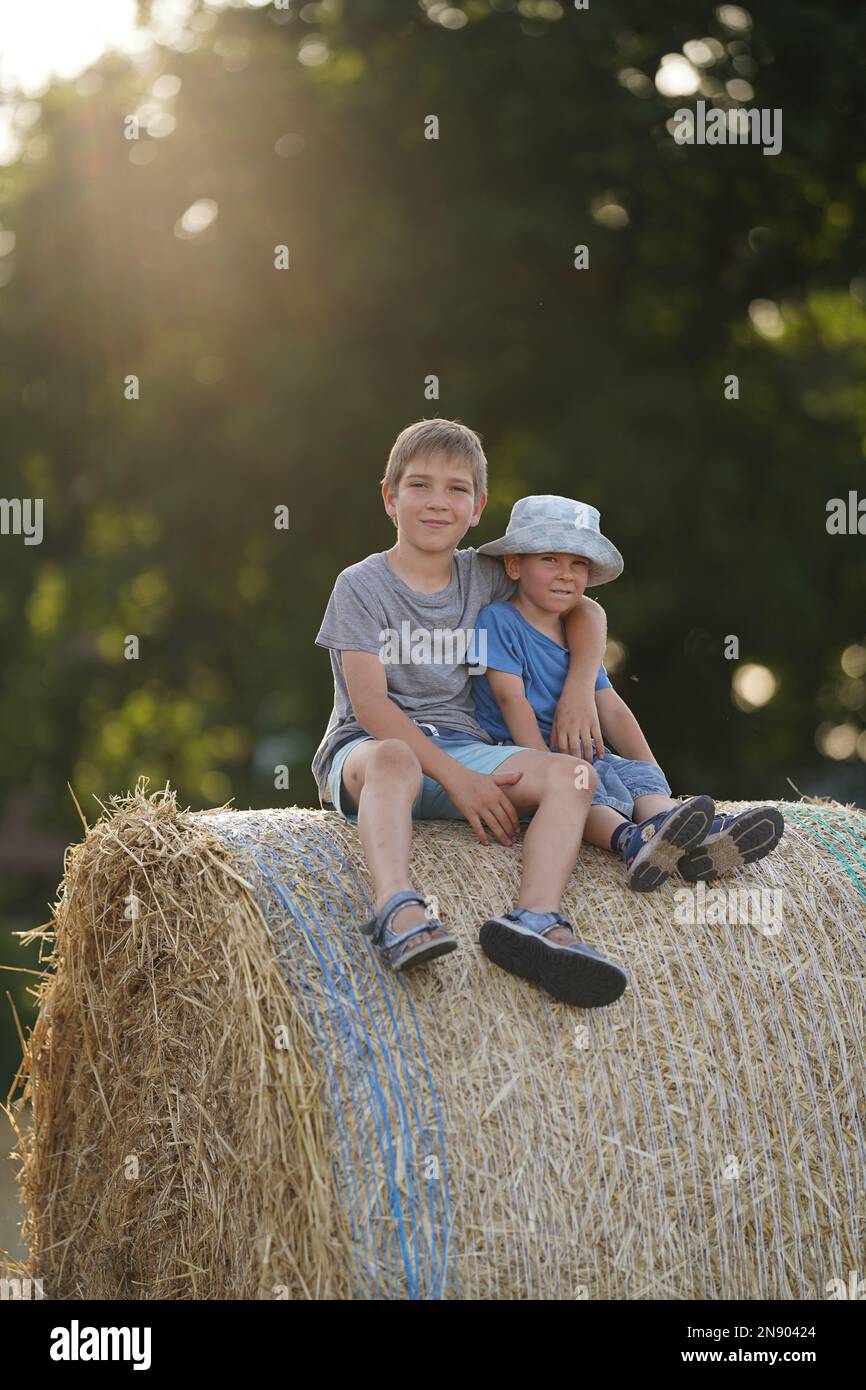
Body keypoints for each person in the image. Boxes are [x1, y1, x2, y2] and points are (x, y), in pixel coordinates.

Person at [311, 419, 626, 1007]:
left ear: (478, 507)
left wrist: (582, 683)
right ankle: (396, 909)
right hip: (369, 752)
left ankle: (535, 918)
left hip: (467, 744)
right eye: (419, 486)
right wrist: (458, 780)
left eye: (456, 489)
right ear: (389, 496)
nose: (438, 502)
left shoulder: (483, 574)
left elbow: (581, 607)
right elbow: (370, 705)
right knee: (397, 757)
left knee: (573, 775)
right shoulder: (359, 586)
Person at [471, 494, 784, 891]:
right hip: (522, 753)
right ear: (514, 565)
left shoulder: (576, 633)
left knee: (633, 774)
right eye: (550, 559)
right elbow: (508, 699)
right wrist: (544, 767)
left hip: (582, 754)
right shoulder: (498, 619)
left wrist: (655, 774)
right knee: (583, 786)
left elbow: (611, 705)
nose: (566, 574)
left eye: (578, 563)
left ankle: (684, 835)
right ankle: (631, 841)